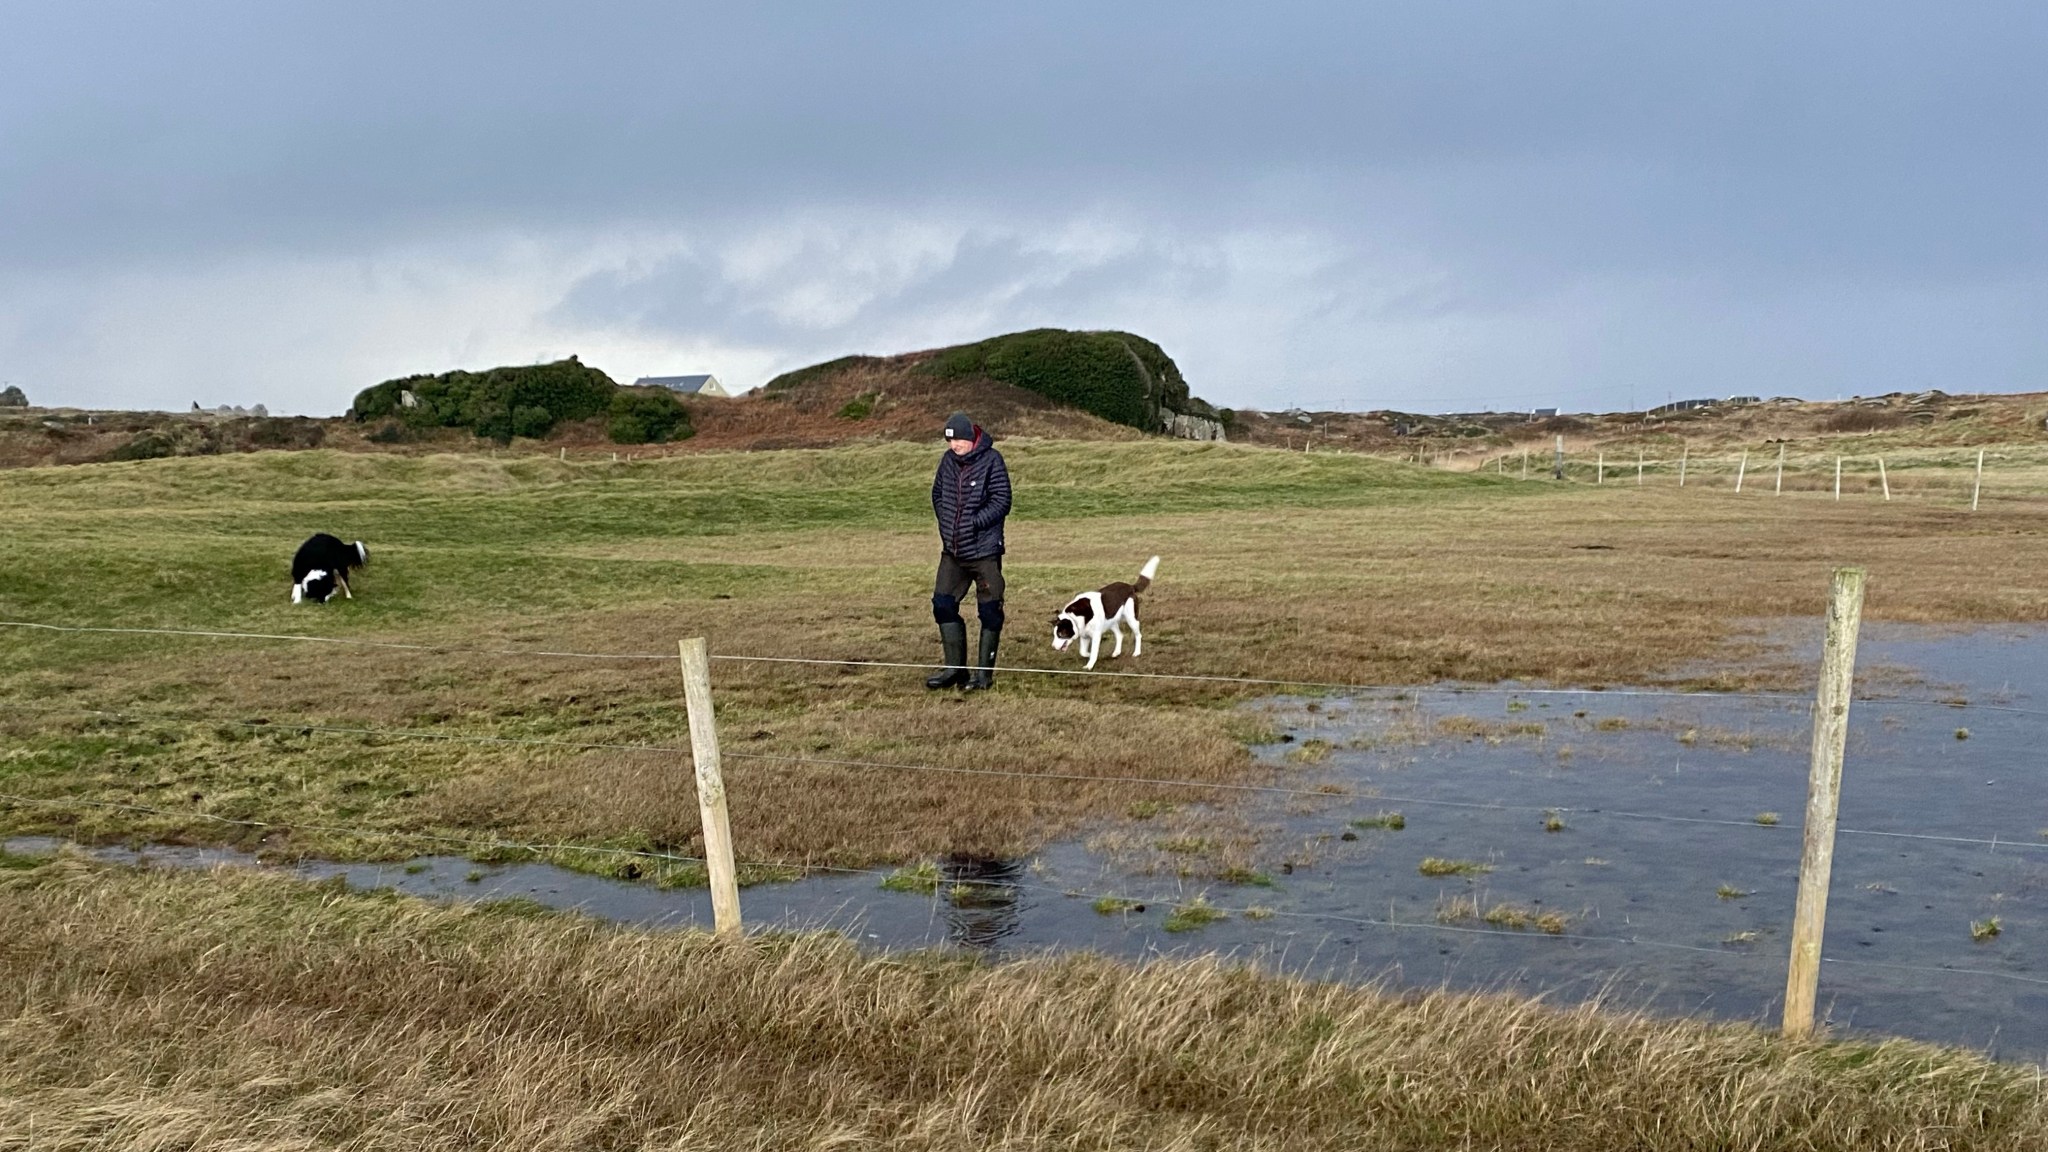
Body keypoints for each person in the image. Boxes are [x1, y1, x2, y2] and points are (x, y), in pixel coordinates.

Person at [926, 411, 1012, 691]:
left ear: (971, 438)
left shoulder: (992, 460)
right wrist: (947, 521)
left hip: (984, 551)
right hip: (952, 552)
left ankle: (983, 675)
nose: (954, 447)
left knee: (989, 611)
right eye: (950, 442)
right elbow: (938, 494)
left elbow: (1002, 501)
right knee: (942, 603)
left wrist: (974, 523)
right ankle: (955, 669)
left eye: (958, 442)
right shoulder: (948, 461)